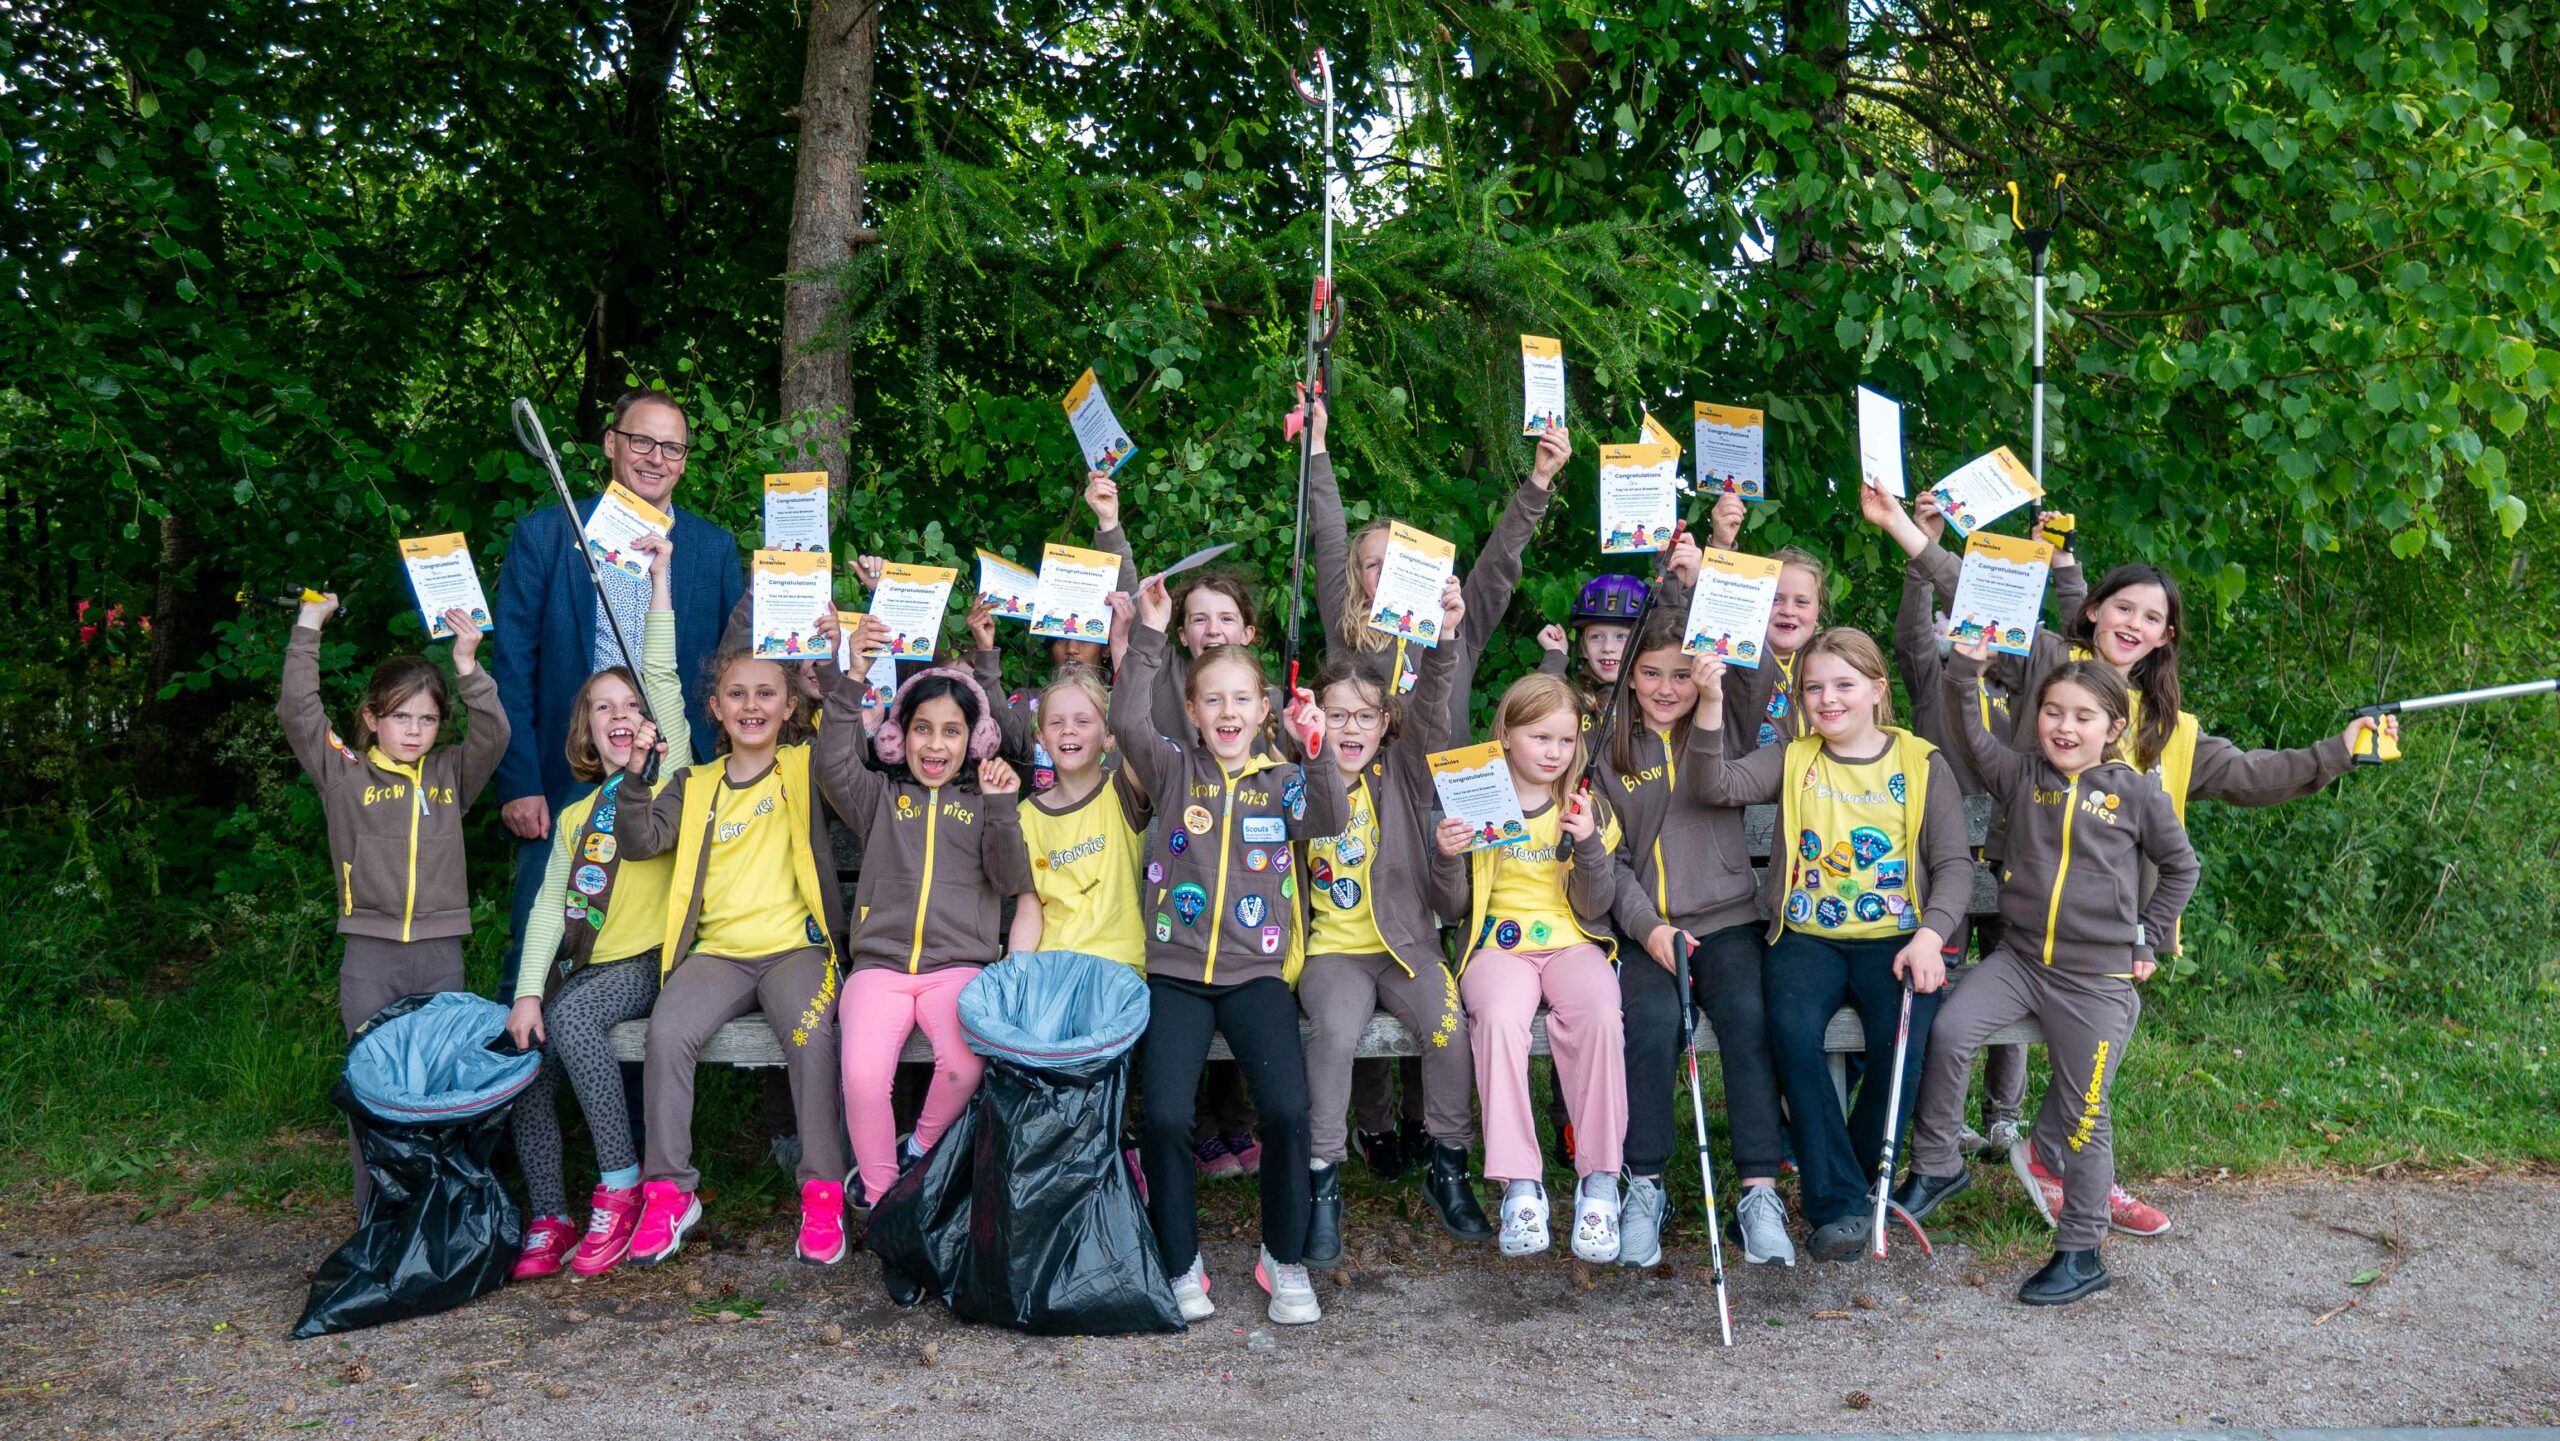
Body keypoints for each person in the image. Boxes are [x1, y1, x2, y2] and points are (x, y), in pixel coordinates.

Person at [1895, 528, 2386, 1236]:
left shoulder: (2170, 731)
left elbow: (2251, 776)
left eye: (2152, 616)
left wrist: (2336, 751)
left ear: (2166, 636)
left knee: (2094, 1056)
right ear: (2094, 610)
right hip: (2016, 898)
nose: (2134, 623)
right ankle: (1980, 1154)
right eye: (2123, 606)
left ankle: (2059, 1166)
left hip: (2107, 942)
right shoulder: (2052, 666)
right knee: (1967, 1023)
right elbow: (1983, 601)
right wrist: (1906, 531)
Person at [1305, 401, 1567, 1176]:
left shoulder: (1457, 625)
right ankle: (1378, 1122)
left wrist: (1538, 483)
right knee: (1368, 941)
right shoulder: (1349, 638)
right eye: (1372, 564)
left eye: (1399, 561)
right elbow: (1326, 536)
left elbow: (1500, 561)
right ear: (1357, 581)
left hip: (1451, 806)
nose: (1384, 572)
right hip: (1375, 809)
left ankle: (1430, 1118)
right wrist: (1317, 450)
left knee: (1435, 958)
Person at [1893, 649, 2200, 1305]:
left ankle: (2082, 1250)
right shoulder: (2022, 773)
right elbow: (1972, 736)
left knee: (2086, 1111)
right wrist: (1962, 674)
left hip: (2095, 977)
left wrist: (2148, 932)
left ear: (2114, 725)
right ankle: (1939, 1164)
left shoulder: (2135, 793)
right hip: (2021, 961)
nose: (2065, 726)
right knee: (1948, 1029)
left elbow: (2182, 867)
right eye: (2053, 712)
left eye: (2083, 716)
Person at [1107, 576, 1346, 1326]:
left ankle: (1284, 1257)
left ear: (1264, 710)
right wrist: (1150, 632)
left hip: (1255, 976)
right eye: (1212, 700)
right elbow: (1126, 717)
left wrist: (1318, 750)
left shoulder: (1282, 781)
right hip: (1176, 977)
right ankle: (1181, 1261)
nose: (1227, 712)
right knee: (1166, 1118)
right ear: (1192, 711)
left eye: (1242, 699)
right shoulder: (1174, 768)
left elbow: (1330, 818)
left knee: (1287, 1111)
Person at [1692, 627, 1972, 1262]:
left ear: (1876, 689)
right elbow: (1717, 786)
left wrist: (1931, 937)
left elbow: (1955, 865)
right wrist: (1710, 703)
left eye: (1844, 685)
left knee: (1900, 1040)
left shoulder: (1920, 762)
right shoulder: (1794, 756)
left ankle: (1851, 1190)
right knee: (1790, 1031)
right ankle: (1840, 1204)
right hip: (1807, 938)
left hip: (1898, 939)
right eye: (1814, 688)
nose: (1828, 699)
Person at [608, 635, 853, 1268]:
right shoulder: (693, 783)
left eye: (766, 694)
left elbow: (846, 738)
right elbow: (638, 842)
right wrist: (634, 777)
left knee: (811, 1034)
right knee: (667, 1032)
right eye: (736, 694)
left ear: (789, 705)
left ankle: (823, 1193)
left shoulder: (803, 765)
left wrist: (840, 666)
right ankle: (669, 1193)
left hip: (797, 952)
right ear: (715, 708)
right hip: (717, 956)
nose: (751, 706)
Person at [492, 389, 746, 996]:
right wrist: (520, 780)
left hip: (676, 770)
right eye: (642, 441)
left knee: (663, 939)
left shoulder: (711, 547)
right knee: (539, 930)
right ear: (611, 443)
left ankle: (634, 1058)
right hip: (570, 770)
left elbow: (733, 667)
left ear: (685, 461)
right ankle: (515, 1049)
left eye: (672, 447)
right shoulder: (548, 535)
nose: (656, 457)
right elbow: (513, 668)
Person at [1862, 486, 2088, 1160]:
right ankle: (1948, 1114)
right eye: (1967, 622)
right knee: (1953, 985)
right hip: (1952, 860)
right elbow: (1911, 634)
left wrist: (2056, 566)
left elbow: (2077, 654)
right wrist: (1919, 561)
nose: (1982, 634)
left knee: (2010, 968)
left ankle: (2003, 1113)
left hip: (2016, 853)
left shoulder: (2032, 693)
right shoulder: (1933, 680)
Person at [275, 593, 507, 1213]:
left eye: (427, 720)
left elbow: (495, 734)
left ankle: (437, 1217)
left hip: (440, 956)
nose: (413, 730)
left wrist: (467, 665)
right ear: (372, 718)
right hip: (370, 959)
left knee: (437, 1088)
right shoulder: (344, 774)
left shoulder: (450, 775)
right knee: (374, 1087)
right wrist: (309, 625)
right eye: (401, 716)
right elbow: (299, 711)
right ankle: (375, 1216)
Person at [503, 532, 686, 1280]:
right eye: (603, 706)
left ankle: (620, 1184)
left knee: (575, 1018)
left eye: (632, 705)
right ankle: (549, 1213)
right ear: (586, 728)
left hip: (646, 962)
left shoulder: (668, 780)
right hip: (582, 969)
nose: (620, 714)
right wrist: (526, 994)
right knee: (526, 1057)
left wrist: (661, 578)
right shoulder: (578, 814)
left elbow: (662, 674)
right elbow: (550, 907)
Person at [1298, 577, 1496, 1265]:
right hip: (1333, 955)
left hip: (1408, 948)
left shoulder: (1403, 774)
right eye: (1336, 716)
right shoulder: (1299, 782)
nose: (1350, 729)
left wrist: (1444, 640)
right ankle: (1322, 1180)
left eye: (1364, 716)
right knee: (1333, 1034)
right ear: (1315, 720)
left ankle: (1450, 1165)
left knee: (1447, 1027)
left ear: (1385, 724)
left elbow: (1434, 705)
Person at [814, 620, 1033, 1212]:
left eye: (952, 731)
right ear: (897, 738)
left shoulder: (983, 802)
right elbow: (833, 763)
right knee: (862, 1078)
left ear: (974, 740)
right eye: (922, 729)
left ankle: (920, 1152)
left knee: (964, 1066)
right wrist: (853, 677)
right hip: (879, 970)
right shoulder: (879, 798)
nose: (935, 746)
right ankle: (883, 1198)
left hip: (957, 969)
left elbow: (1010, 880)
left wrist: (1002, 809)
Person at [1602, 608, 1796, 1270]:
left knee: (1747, 1014)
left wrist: (1716, 581)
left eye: (1681, 674)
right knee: (1650, 1021)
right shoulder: (1605, 745)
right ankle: (1645, 1185)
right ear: (1628, 676)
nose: (1666, 688)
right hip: (1645, 930)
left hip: (1728, 920)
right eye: (1651, 673)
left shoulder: (1726, 724)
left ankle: (1759, 1191)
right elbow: (1609, 860)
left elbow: (1761, 674)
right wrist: (1648, 928)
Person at [1438, 673, 1628, 1262]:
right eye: (1540, 737)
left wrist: (1588, 844)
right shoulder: (1475, 799)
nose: (1554, 752)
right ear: (1506, 734)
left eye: (1566, 740)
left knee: (1600, 1012)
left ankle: (1600, 1182)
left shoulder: (1586, 806)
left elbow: (1596, 904)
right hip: (1497, 946)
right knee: (1497, 1018)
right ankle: (1521, 1184)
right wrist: (1447, 857)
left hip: (1572, 941)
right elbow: (1452, 905)